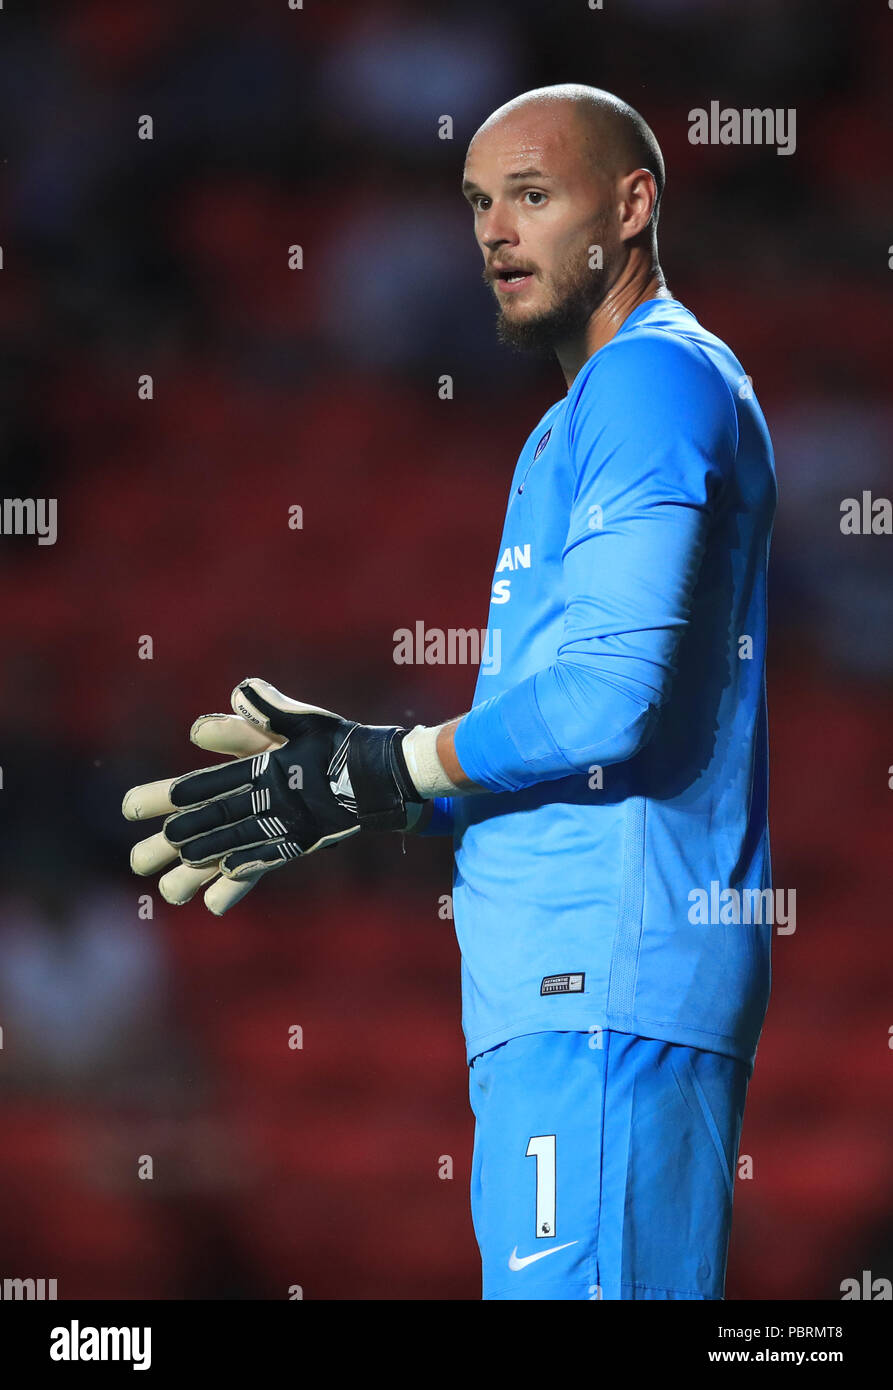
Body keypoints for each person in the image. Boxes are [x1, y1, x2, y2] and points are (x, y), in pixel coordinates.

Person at [123, 84, 777, 1301]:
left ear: (632, 205)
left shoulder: (649, 382)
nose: (493, 230)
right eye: (478, 201)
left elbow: (608, 701)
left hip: (599, 983)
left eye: (532, 196)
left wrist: (394, 763)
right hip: (555, 990)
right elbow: (561, 735)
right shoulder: (575, 420)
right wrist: (361, 783)